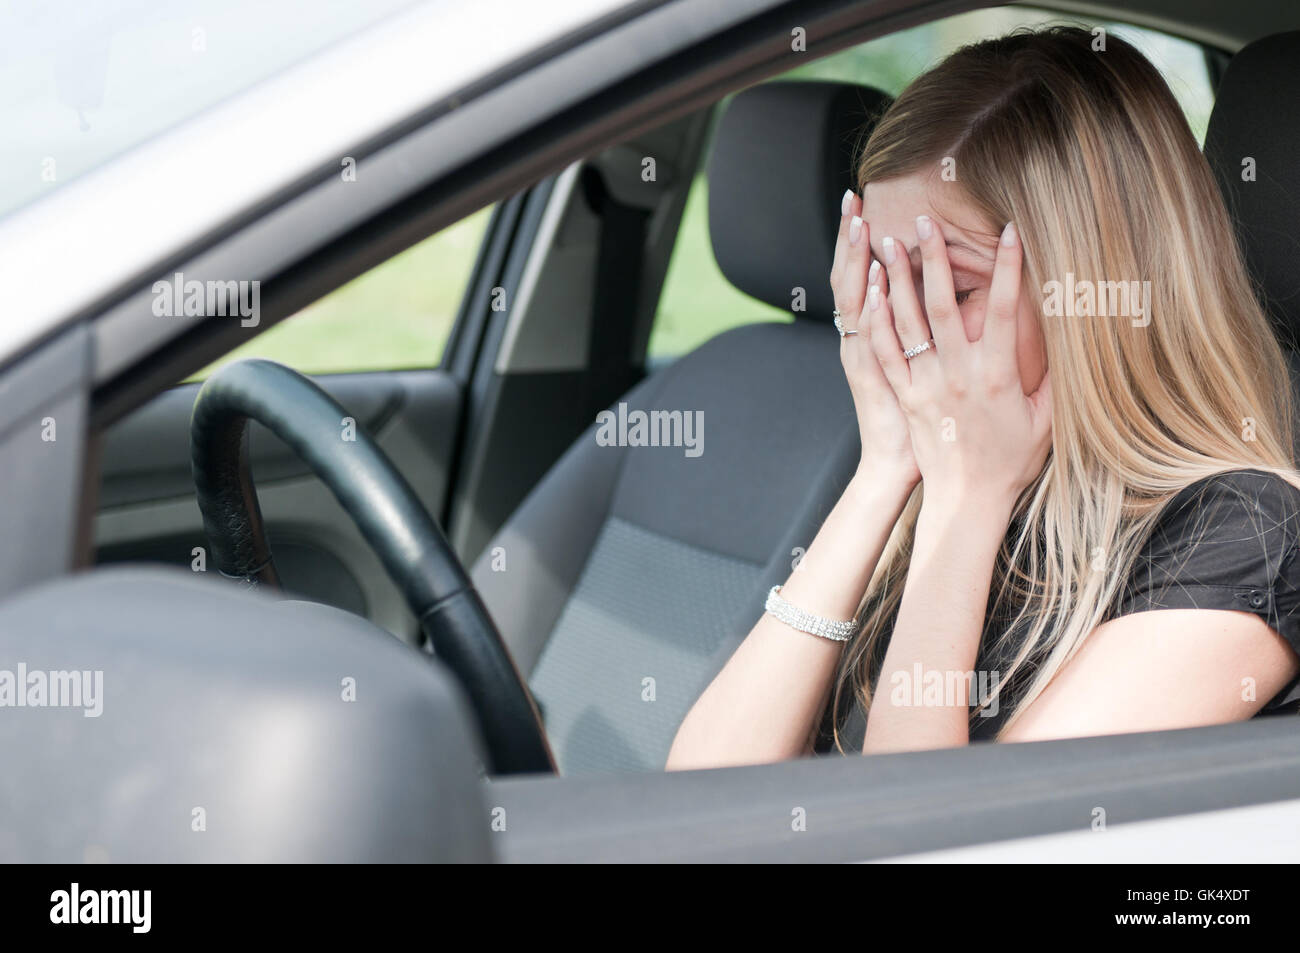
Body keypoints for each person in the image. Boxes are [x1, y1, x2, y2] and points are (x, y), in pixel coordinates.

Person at [667, 26, 1300, 769]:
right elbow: (702, 787)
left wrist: (968, 498)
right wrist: (884, 469)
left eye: (948, 287)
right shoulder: (944, 471)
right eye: (881, 277)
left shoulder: (1246, 537)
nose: (902, 323)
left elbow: (918, 833)